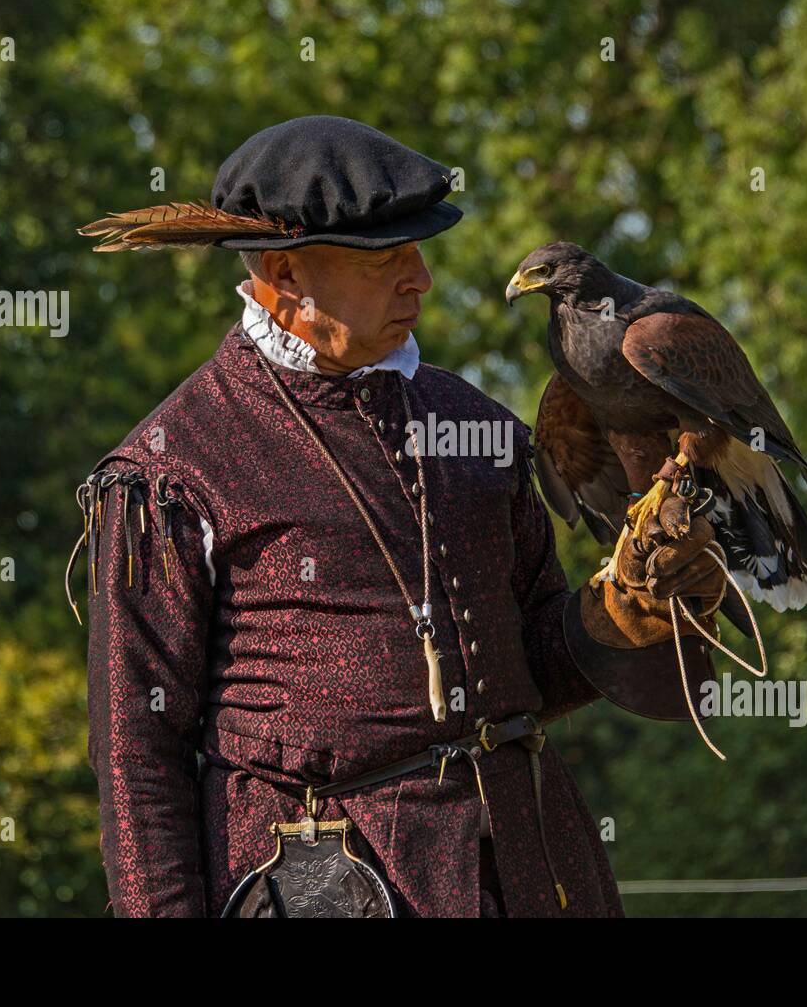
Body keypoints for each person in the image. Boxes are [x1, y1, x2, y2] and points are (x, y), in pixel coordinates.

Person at [68, 115, 726, 917]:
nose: (421, 278)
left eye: (420, 251)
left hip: (529, 874)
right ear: (283, 275)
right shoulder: (176, 466)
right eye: (387, 258)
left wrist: (622, 614)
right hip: (321, 888)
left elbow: (525, 673)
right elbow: (138, 755)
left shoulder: (477, 431)